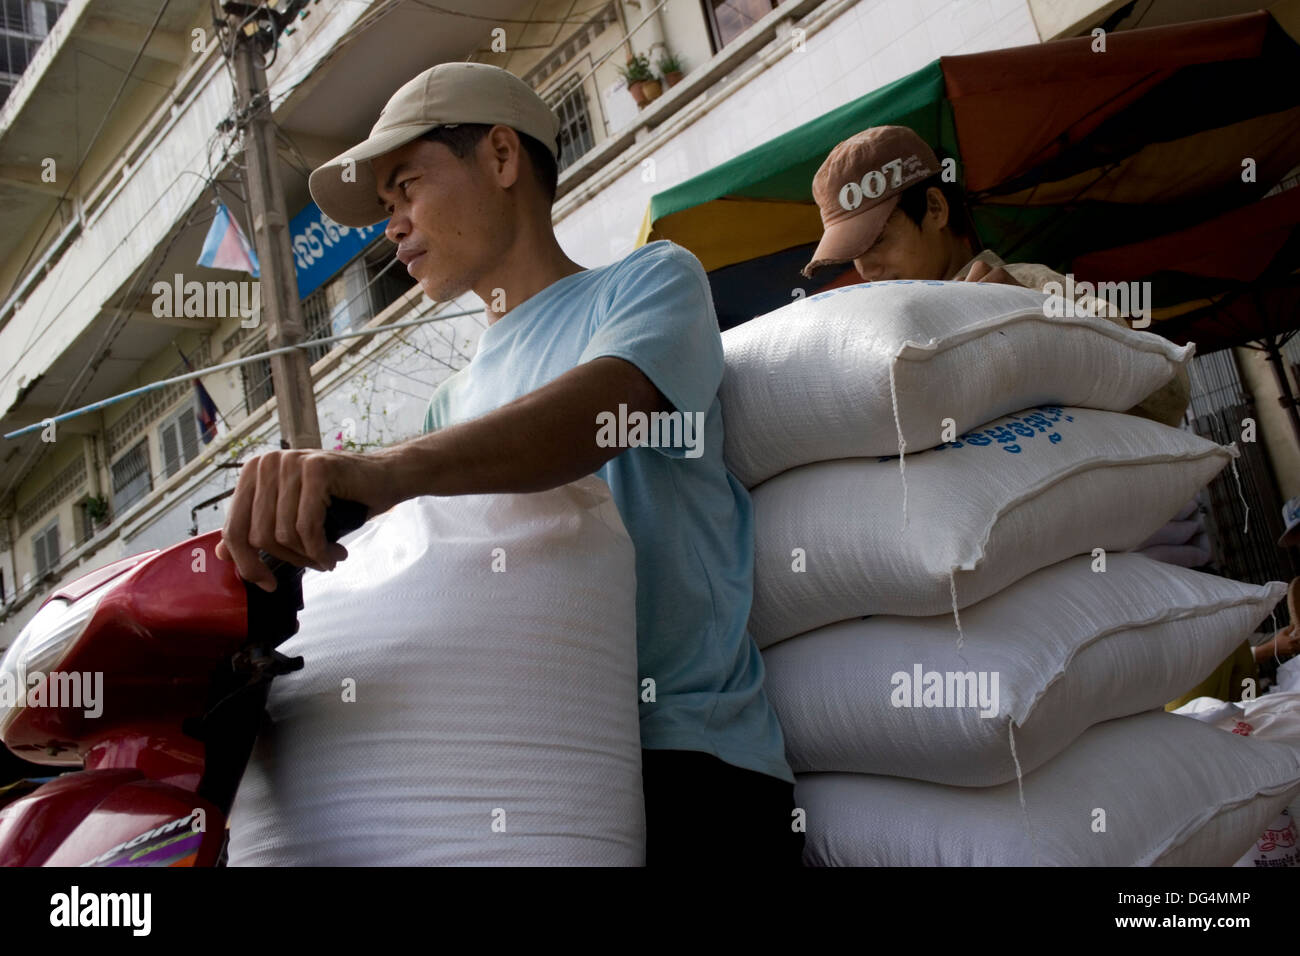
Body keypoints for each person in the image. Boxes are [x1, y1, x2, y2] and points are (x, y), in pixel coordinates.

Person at [215, 63, 801, 866]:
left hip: (685, 760)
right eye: (386, 207)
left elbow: (601, 415)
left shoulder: (647, 284)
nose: (393, 225)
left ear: (499, 158)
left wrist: (386, 473)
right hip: (529, 771)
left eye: (408, 188)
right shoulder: (444, 408)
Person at [800, 125, 1189, 428]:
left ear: (935, 208)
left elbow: (1169, 392)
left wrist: (1043, 323)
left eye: (879, 240)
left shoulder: (1030, 287)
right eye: (853, 256)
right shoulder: (886, 337)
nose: (867, 270)